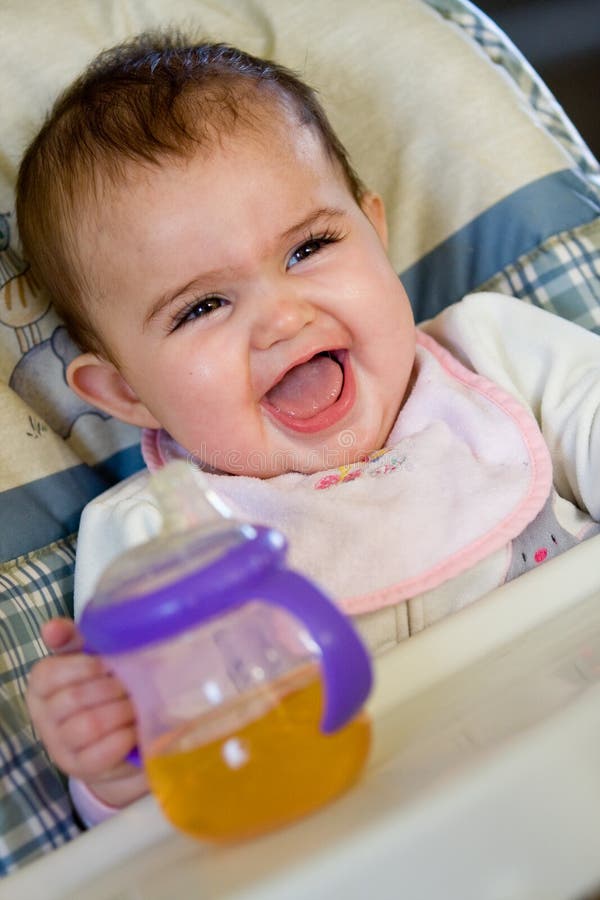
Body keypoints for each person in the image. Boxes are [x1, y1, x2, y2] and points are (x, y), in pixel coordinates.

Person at [19, 33, 600, 826]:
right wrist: (114, 753)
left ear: (373, 232)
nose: (282, 317)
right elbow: (157, 817)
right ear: (125, 391)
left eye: (310, 247)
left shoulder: (496, 354)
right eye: (201, 306)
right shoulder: (151, 541)